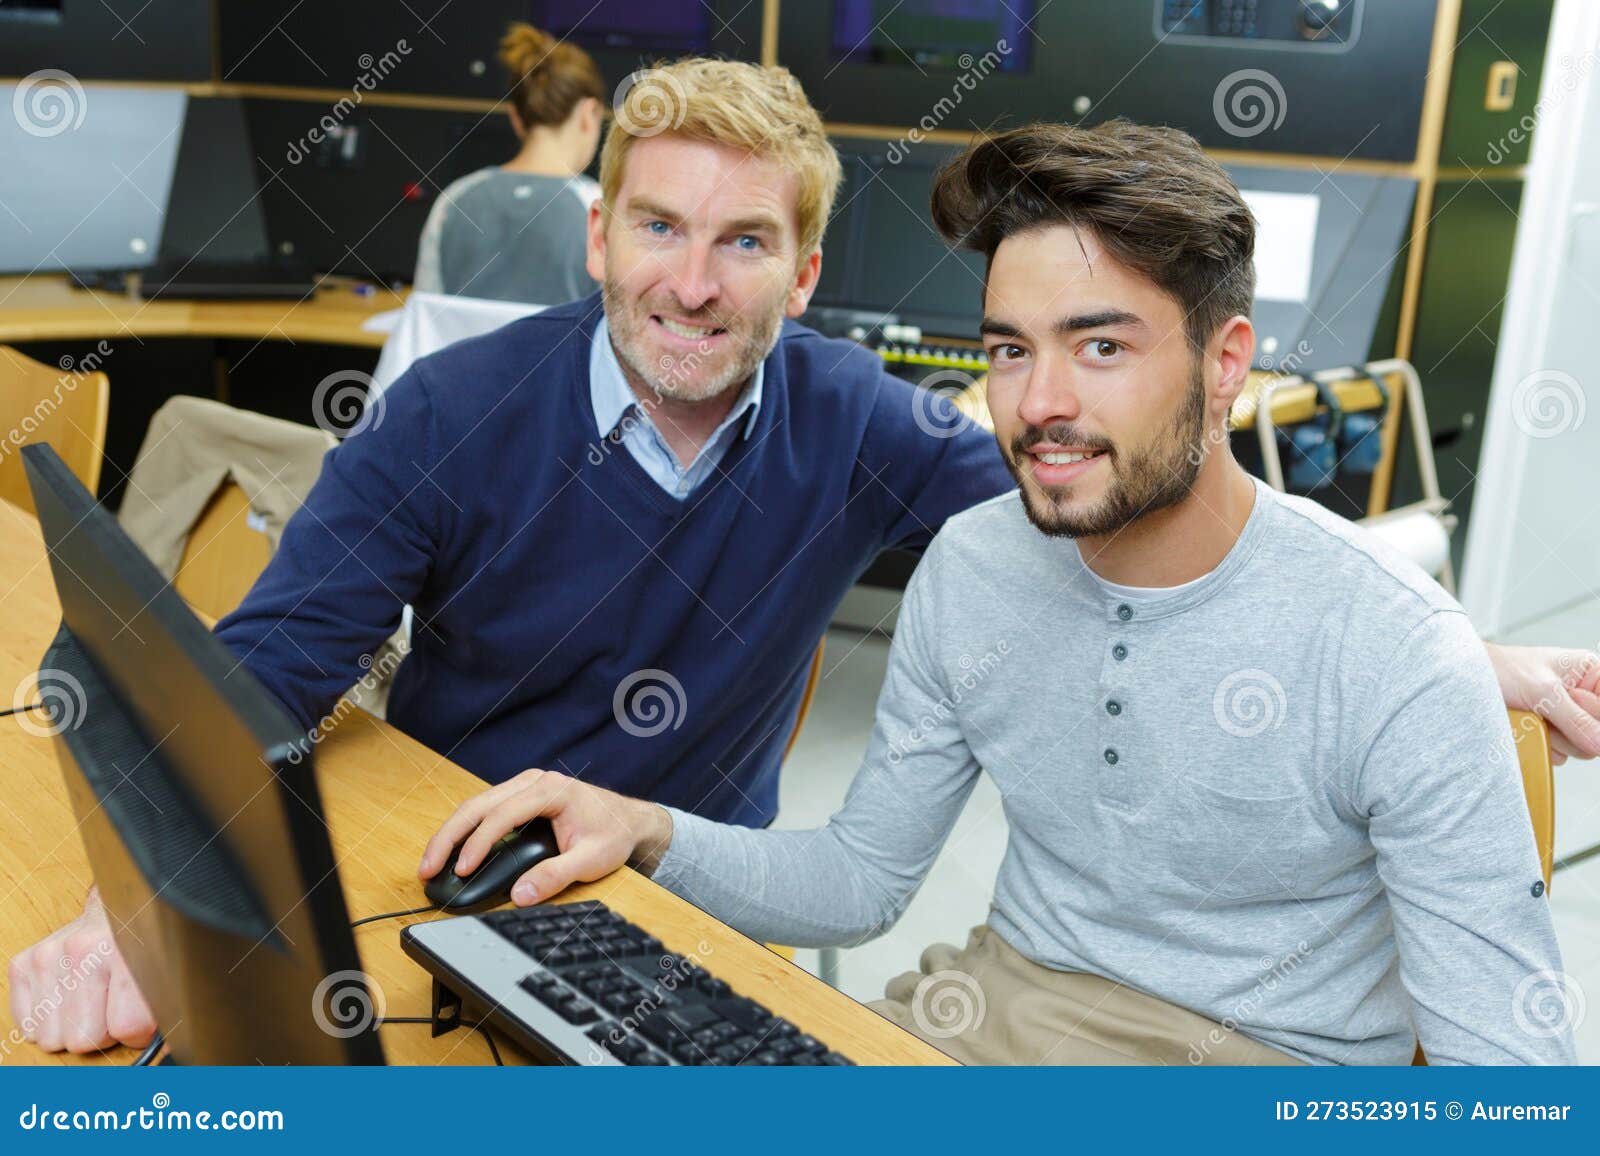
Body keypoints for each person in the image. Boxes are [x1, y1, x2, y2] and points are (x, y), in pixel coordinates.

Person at [9, 59, 1598, 1058]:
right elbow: (260, 671)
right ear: (596, 236)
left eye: (746, 242)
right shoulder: (453, 410)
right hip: (448, 849)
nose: (693, 286)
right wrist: (133, 903)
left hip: (694, 901)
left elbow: (1113, 499)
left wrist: (1447, 653)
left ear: (807, 272)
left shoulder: (869, 428)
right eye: (657, 229)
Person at [409, 121, 1578, 1066]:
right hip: (974, 1033)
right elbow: (861, 879)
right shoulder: (973, 564)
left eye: (1102, 347)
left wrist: (1440, 659)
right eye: (1010, 349)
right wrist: (645, 828)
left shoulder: (1391, 646)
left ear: (1225, 362)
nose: (1040, 401)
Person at [412, 23, 604, 303]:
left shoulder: (454, 199)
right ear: (589, 113)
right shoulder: (598, 206)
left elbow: (426, 315)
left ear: (515, 117)